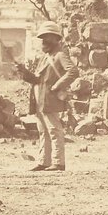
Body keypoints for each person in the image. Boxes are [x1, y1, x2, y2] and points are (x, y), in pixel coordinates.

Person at [25, 21, 79, 172]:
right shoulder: (44, 58)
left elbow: (73, 72)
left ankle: (58, 163)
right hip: (40, 100)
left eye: (47, 37)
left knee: (54, 130)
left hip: (50, 98)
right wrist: (24, 73)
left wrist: (57, 86)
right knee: (43, 131)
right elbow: (37, 79)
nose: (44, 40)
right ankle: (44, 161)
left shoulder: (60, 55)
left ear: (56, 39)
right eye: (43, 37)